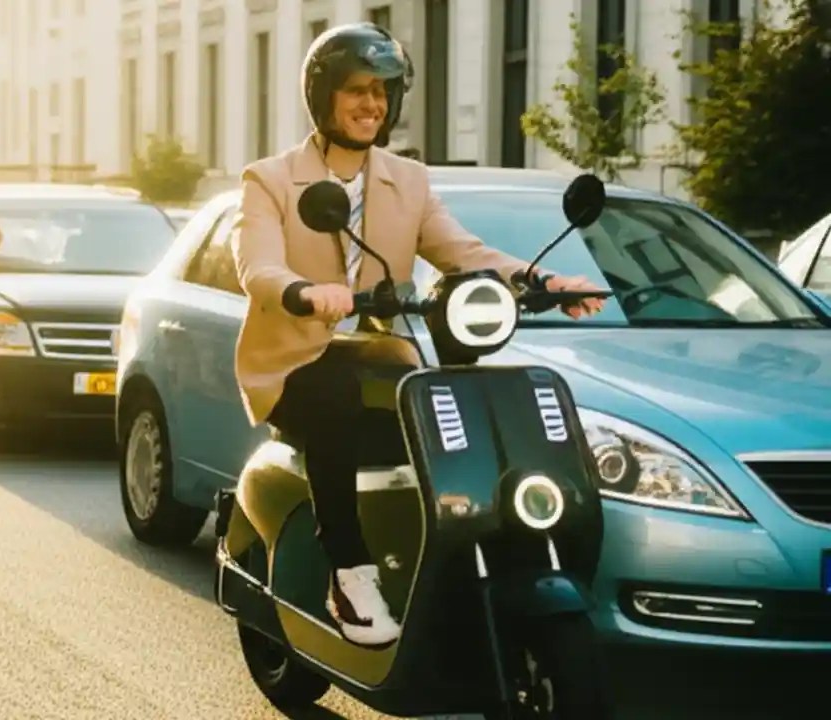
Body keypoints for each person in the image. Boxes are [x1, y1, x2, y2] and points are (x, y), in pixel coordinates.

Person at [229, 22, 607, 647]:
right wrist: (303, 291)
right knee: (333, 397)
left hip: (382, 361)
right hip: (294, 365)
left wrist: (545, 279)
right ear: (323, 96)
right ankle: (349, 575)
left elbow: (463, 251)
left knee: (461, 410)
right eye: (356, 90)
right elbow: (258, 265)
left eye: (382, 91)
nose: (371, 104)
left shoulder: (408, 179)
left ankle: (463, 562)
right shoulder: (268, 179)